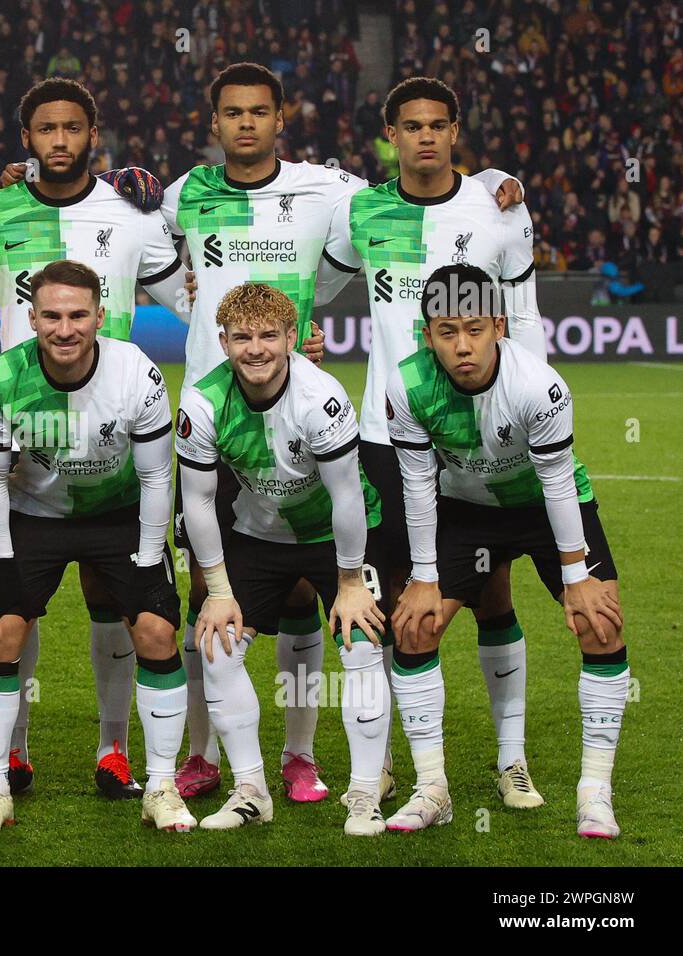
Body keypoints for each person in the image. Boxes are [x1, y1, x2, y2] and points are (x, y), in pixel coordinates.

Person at [161, 61, 523, 804]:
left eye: (260, 111)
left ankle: (299, 757)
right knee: (203, 588)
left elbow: (430, 186)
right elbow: (123, 217)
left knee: (306, 591)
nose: (247, 124)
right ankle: (200, 753)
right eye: (232, 113)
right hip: (213, 415)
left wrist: (491, 178)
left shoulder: (332, 191)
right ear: (215, 123)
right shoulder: (185, 193)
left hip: (296, 409)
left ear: (281, 117)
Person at [0, 79, 189, 799]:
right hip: (20, 448)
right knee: (14, 604)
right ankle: (13, 751)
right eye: (46, 128)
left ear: (93, 135)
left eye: (72, 128)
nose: (59, 141)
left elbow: (192, 301)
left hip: (115, 443)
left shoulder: (134, 212)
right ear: (26, 137)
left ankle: (113, 750)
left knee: (113, 603)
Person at [325, 76, 548, 809]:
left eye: (437, 124)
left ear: (455, 129)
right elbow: (314, 283)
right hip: (386, 436)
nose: (424, 136)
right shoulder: (359, 210)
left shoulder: (498, 207)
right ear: (389, 133)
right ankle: (390, 759)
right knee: (393, 602)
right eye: (409, 125)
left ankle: (511, 762)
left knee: (492, 589)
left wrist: (529, 415)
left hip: (481, 435)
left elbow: (526, 318)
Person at [385, 264, 627, 838]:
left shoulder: (537, 386)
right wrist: (422, 575)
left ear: (499, 325)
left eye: (474, 328)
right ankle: (432, 789)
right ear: (427, 335)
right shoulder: (407, 385)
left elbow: (559, 483)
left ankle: (595, 793)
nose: (462, 345)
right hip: (467, 510)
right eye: (446, 332)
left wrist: (576, 573)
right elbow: (417, 484)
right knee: (415, 626)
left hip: (546, 507)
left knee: (600, 625)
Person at [0, 260, 190, 832]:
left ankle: (155, 782)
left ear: (99, 315)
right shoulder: (0, 376)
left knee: (157, 630)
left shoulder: (135, 372)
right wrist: (4, 559)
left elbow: (157, 478)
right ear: (32, 318)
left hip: (117, 514)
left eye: (78, 315)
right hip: (33, 514)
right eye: (52, 316)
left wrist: (145, 558)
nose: (66, 329)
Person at [177, 282, 390, 835]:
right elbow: (198, 501)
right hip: (259, 531)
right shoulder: (201, 402)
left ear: (292, 338)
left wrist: (349, 581)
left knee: (362, 640)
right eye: (242, 337)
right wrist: (220, 592)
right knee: (215, 643)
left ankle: (366, 794)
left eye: (269, 335)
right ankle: (251, 788)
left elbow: (347, 497)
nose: (256, 349)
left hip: (337, 537)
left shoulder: (321, 397)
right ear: (222, 341)